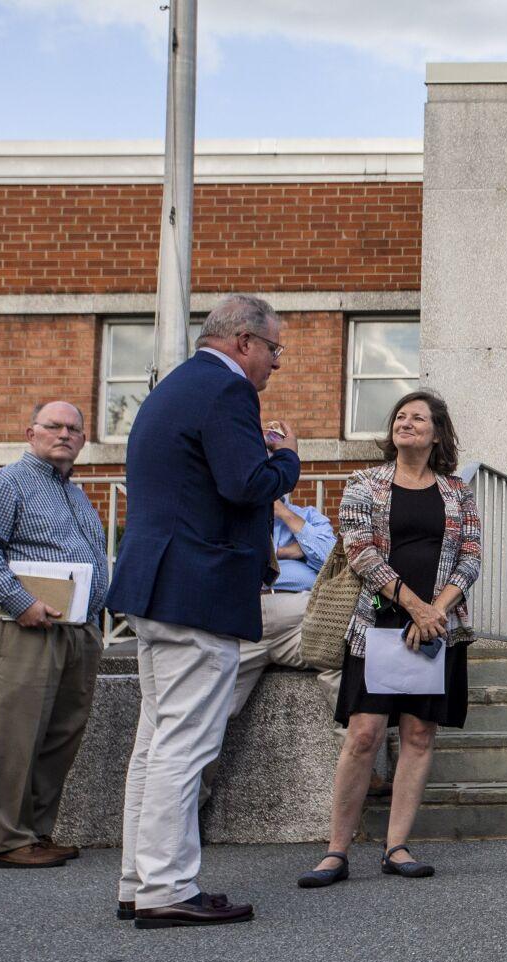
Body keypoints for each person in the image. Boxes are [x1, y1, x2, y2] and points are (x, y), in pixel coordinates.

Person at [108, 293, 301, 927]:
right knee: (185, 745)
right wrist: (287, 459)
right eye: (274, 349)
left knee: (157, 743)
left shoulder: (173, 389)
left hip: (158, 586)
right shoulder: (226, 393)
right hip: (198, 591)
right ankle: (167, 889)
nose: (276, 362)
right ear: (243, 342)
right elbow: (246, 484)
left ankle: (141, 879)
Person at [298, 391, 481, 887]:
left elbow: (471, 556)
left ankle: (396, 846)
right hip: (376, 623)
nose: (406, 422)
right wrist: (414, 606)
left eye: (418, 417)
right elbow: (358, 550)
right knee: (363, 735)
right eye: (400, 415)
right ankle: (335, 851)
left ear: (437, 433)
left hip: (438, 629)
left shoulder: (458, 491)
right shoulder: (364, 483)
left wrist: (434, 612)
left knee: (420, 734)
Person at [0, 402, 108, 869]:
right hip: (25, 628)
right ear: (30, 432)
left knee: (61, 734)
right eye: (54, 426)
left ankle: (36, 831)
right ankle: (7, 840)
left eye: (74, 428)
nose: (65, 434)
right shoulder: (7, 483)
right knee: (15, 735)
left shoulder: (73, 494)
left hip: (76, 629)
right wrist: (21, 602)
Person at [200, 492, 334, 808]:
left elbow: (330, 560)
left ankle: (362, 763)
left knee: (348, 658)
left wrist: (283, 513)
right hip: (244, 615)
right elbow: (228, 561)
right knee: (210, 708)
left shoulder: (311, 516)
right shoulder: (225, 513)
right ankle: (188, 809)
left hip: (300, 614)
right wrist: (291, 552)